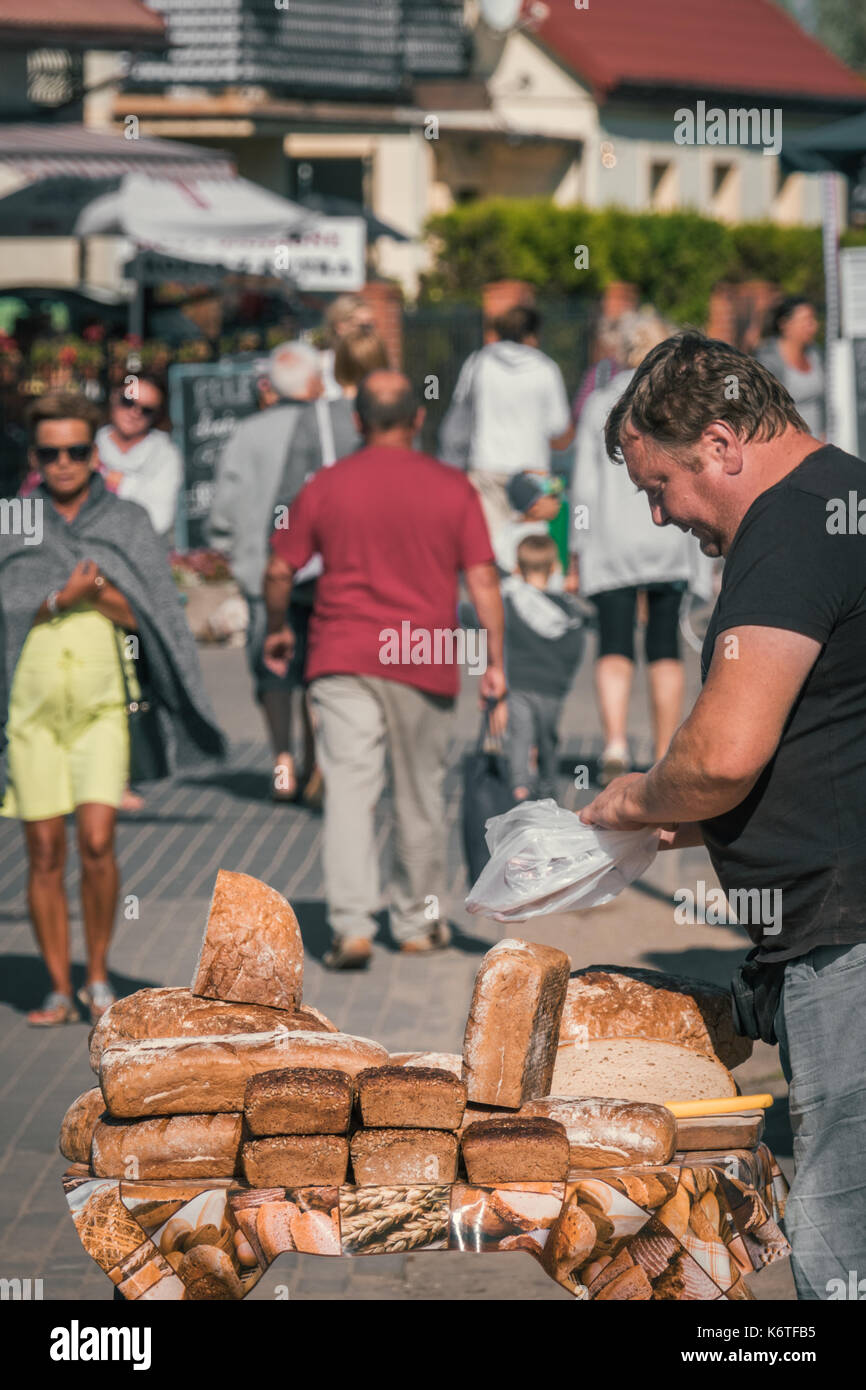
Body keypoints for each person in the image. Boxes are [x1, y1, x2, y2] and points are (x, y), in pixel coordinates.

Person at [579, 331, 866, 1301]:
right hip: (835, 916)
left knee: (840, 1253)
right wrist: (695, 821)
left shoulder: (785, 528)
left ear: (718, 443)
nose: (660, 517)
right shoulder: (843, 498)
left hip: (844, 935)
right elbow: (829, 730)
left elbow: (722, 754)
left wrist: (637, 795)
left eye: (658, 487)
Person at [263, 370, 506, 969]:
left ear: (357, 421)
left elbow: (277, 569)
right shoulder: (452, 487)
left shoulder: (325, 485)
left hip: (342, 653)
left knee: (349, 791)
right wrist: (495, 662)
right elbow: (481, 579)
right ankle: (418, 922)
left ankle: (351, 927)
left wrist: (275, 627)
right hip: (423, 656)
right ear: (418, 420)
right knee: (421, 794)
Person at [0, 394, 224, 1027]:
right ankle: (53, 987)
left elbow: (154, 612)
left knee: (97, 842)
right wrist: (54, 599)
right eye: (51, 453)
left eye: (77, 451)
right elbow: (3, 605)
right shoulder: (14, 518)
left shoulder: (126, 520)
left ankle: (97, 975)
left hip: (101, 708)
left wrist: (95, 592)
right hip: (30, 709)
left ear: (94, 455)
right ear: (35, 458)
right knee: (44, 850)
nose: (65, 462)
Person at [569, 311, 713, 784]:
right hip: (667, 537)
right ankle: (664, 746)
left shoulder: (601, 403)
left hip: (611, 541)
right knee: (664, 645)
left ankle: (614, 741)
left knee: (613, 640)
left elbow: (585, 483)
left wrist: (577, 545)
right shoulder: (679, 405)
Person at [271, 330, 389, 803]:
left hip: (321, 564)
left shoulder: (315, 417)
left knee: (317, 669)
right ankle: (359, 761)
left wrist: (279, 552)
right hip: (377, 563)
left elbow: (287, 497)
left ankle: (319, 761)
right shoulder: (395, 418)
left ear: (336, 367)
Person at [208, 340, 323, 797]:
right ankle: (317, 762)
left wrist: (228, 548)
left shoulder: (247, 432)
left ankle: (282, 765)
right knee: (318, 671)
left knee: (273, 670)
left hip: (261, 570)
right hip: (317, 574)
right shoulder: (328, 429)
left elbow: (224, 507)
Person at [439, 304, 574, 568]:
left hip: (486, 465)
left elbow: (460, 417)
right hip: (531, 471)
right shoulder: (546, 368)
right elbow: (558, 426)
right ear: (533, 334)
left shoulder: (478, 362)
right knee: (530, 552)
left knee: (489, 550)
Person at [502, 533, 585, 802]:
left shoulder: (509, 602)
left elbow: (483, 622)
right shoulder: (566, 608)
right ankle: (548, 785)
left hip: (518, 683)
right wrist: (565, 677)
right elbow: (576, 645)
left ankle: (519, 786)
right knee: (547, 738)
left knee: (520, 736)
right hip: (552, 688)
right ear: (553, 569)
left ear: (518, 568)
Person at [95, 375, 183, 540]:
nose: (134, 413)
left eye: (147, 409)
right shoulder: (83, 445)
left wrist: (122, 483)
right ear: (114, 397)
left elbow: (159, 520)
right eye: (128, 401)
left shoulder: (166, 454)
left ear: (157, 415)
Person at [756, 296, 825, 440]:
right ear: (785, 325)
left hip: (817, 441)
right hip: (786, 443)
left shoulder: (815, 353)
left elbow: (823, 401)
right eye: (807, 320)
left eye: (814, 320)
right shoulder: (767, 360)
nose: (814, 326)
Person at [319, 294, 377, 400]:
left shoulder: (377, 363)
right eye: (362, 327)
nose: (368, 333)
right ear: (340, 327)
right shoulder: (320, 365)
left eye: (370, 326)